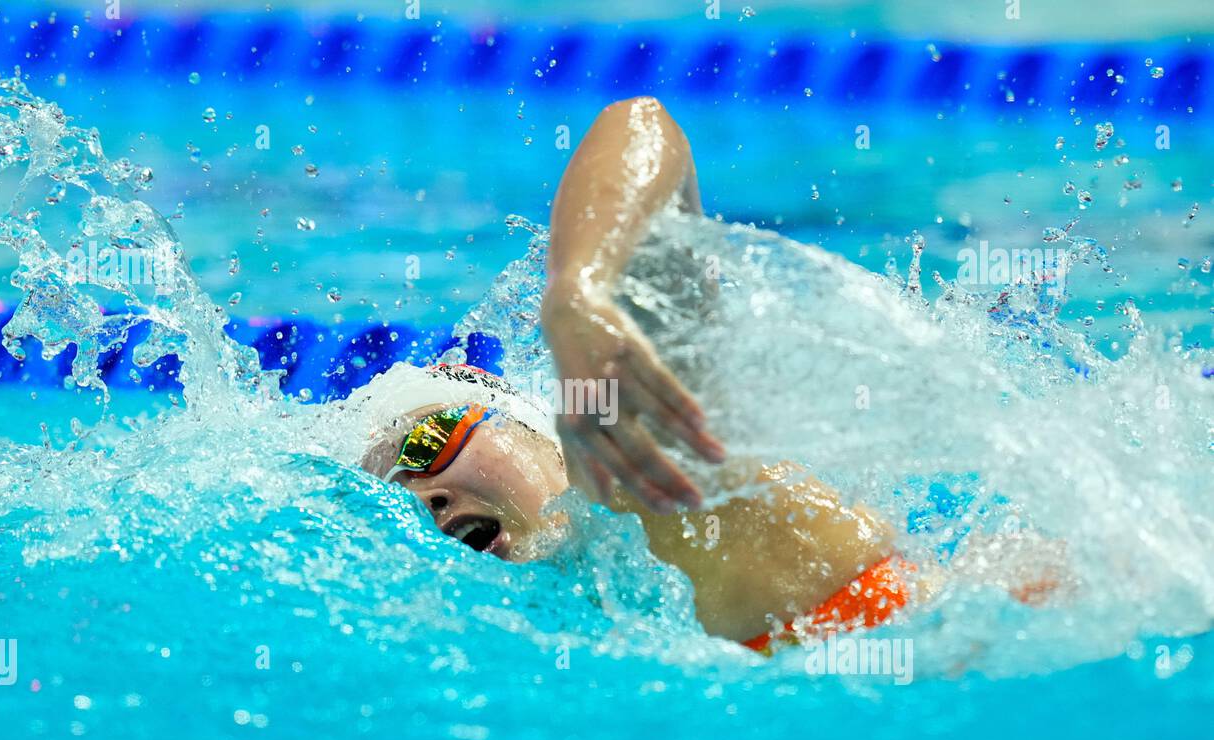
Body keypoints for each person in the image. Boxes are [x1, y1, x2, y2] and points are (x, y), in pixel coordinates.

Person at [349, 97, 1054, 653]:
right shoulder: (588, 620)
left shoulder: (643, 486)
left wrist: (577, 295)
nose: (425, 501)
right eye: (393, 499)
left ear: (528, 427)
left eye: (424, 448)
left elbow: (640, 126)